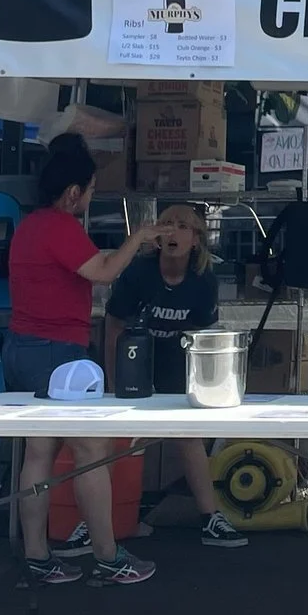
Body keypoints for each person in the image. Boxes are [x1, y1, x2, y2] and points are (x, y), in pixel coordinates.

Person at [5, 132, 163, 588]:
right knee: (93, 449)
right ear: (74, 191)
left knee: (39, 452)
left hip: (24, 346)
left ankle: (37, 555)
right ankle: (108, 555)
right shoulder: (59, 227)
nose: (91, 198)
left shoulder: (30, 226)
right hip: (57, 354)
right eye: (91, 190)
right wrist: (139, 239)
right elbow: (105, 272)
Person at [104, 204, 247, 549]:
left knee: (188, 434)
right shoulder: (138, 272)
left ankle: (209, 517)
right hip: (134, 357)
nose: (173, 231)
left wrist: (202, 387)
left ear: (196, 239)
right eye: (167, 224)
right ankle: (99, 517)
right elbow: (112, 326)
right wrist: (113, 381)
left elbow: (202, 336)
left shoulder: (203, 281)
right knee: (116, 437)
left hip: (174, 359)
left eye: (183, 226)